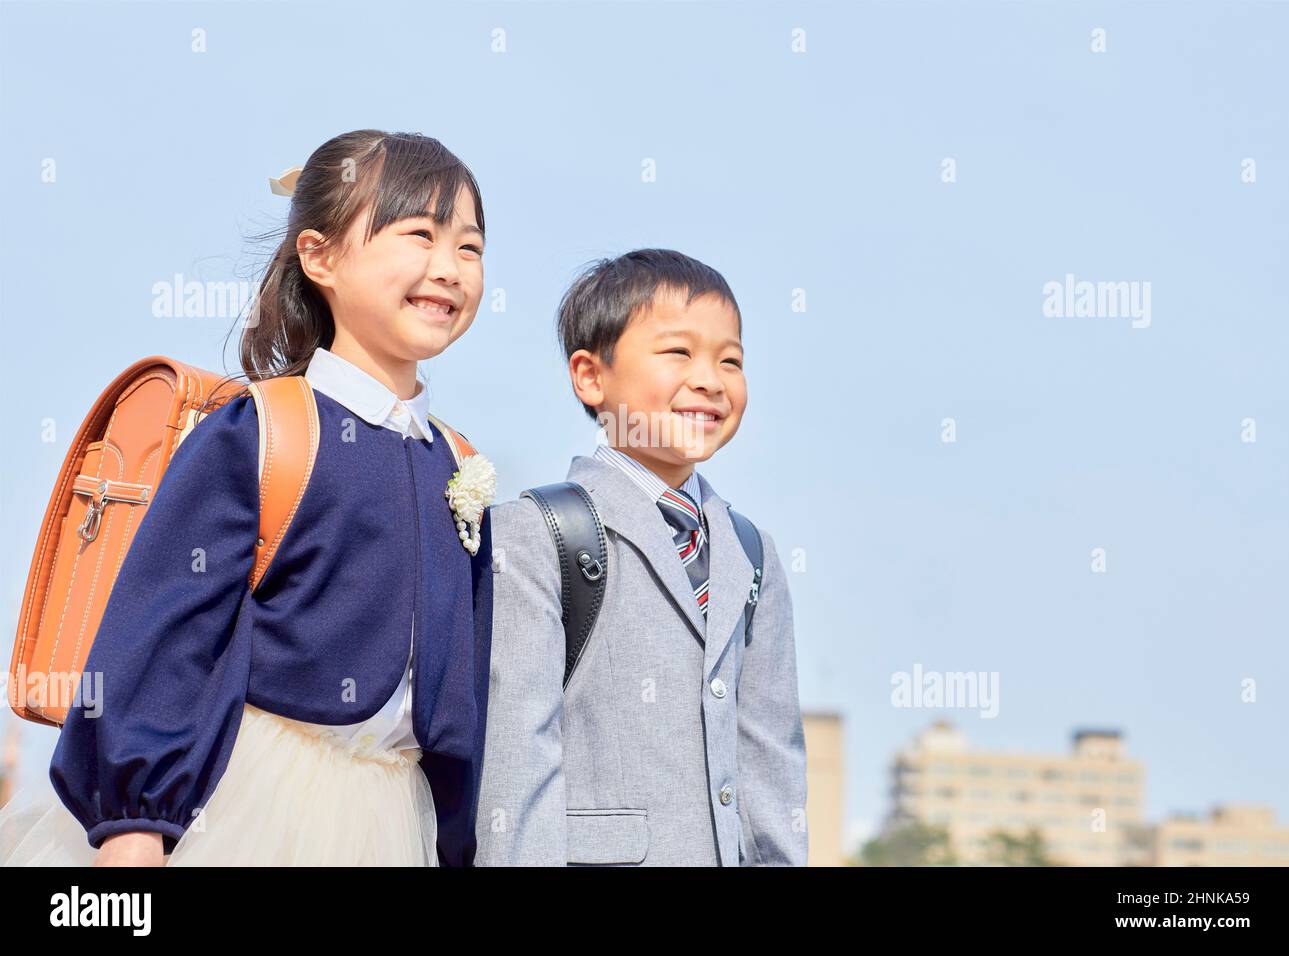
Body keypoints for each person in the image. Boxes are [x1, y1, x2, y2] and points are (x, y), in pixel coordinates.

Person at [0, 129, 495, 866]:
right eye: (418, 233)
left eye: (469, 247)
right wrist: (134, 826)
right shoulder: (267, 429)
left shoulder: (457, 460)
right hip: (246, 806)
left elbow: (466, 688)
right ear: (320, 256)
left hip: (399, 822)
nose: (447, 268)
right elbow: (164, 632)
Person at [475, 249, 807, 866]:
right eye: (678, 352)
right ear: (591, 377)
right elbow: (518, 757)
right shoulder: (538, 533)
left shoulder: (751, 553)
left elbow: (771, 760)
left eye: (730, 360)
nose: (710, 379)